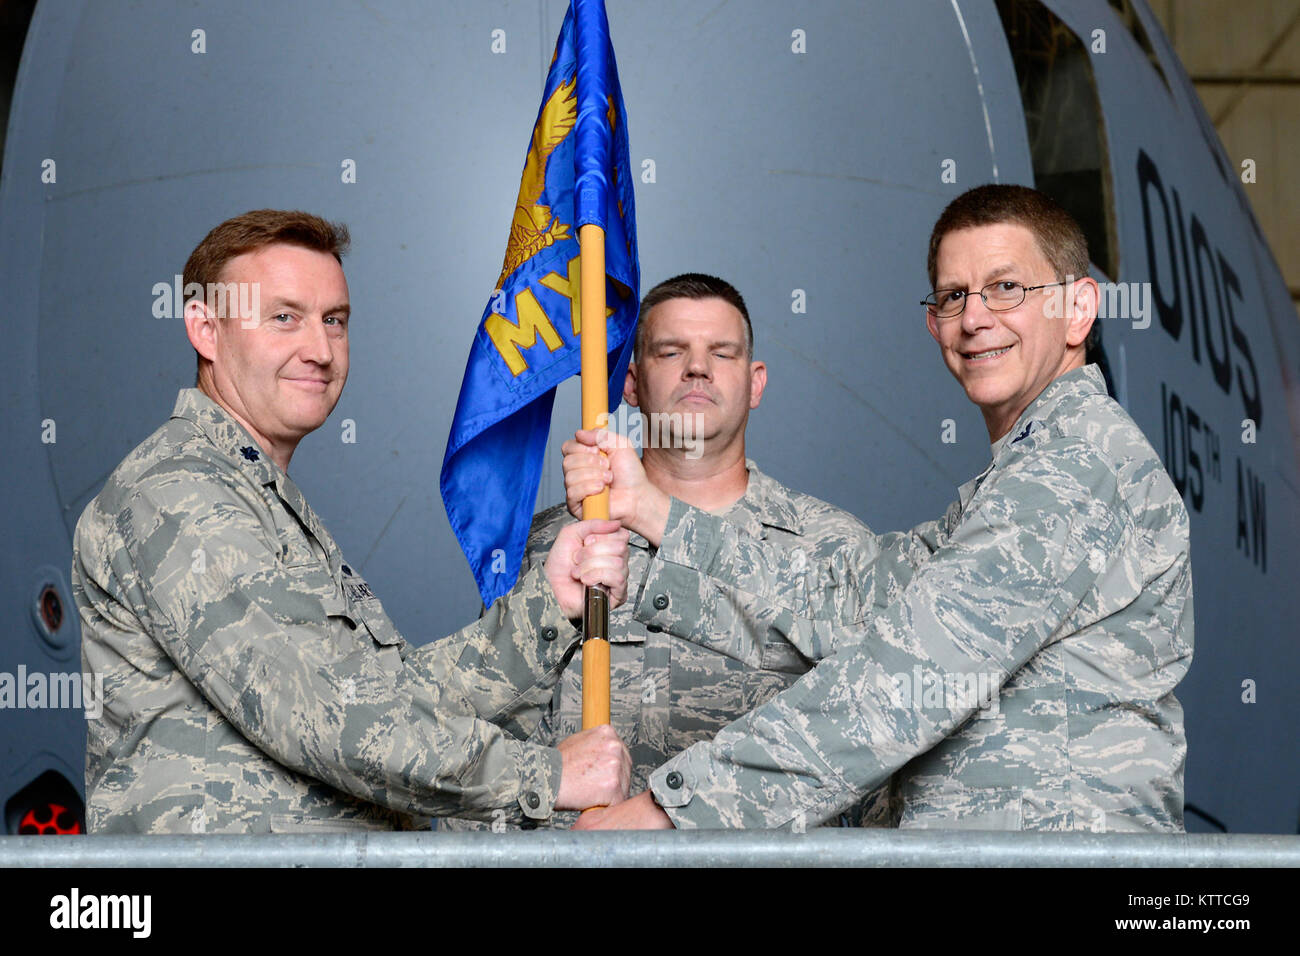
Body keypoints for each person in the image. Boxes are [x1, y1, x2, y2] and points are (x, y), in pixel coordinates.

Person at [565, 185, 1194, 831]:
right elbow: (850, 604)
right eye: (953, 296)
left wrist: (668, 814)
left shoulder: (1077, 466)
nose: (974, 318)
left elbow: (901, 681)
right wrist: (653, 514)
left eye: (1006, 288)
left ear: (1079, 308)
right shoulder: (1013, 479)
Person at [72, 210, 632, 834]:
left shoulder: (258, 493)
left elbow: (391, 701)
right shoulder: (178, 491)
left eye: (333, 321)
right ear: (205, 328)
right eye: (284, 316)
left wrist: (549, 608)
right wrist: (545, 777)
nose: (318, 350)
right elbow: (325, 716)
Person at [443, 273, 894, 830]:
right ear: (631, 383)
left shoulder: (837, 550)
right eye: (671, 350)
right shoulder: (557, 545)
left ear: (756, 383)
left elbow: (876, 758)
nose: (697, 367)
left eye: (721, 352)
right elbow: (480, 747)